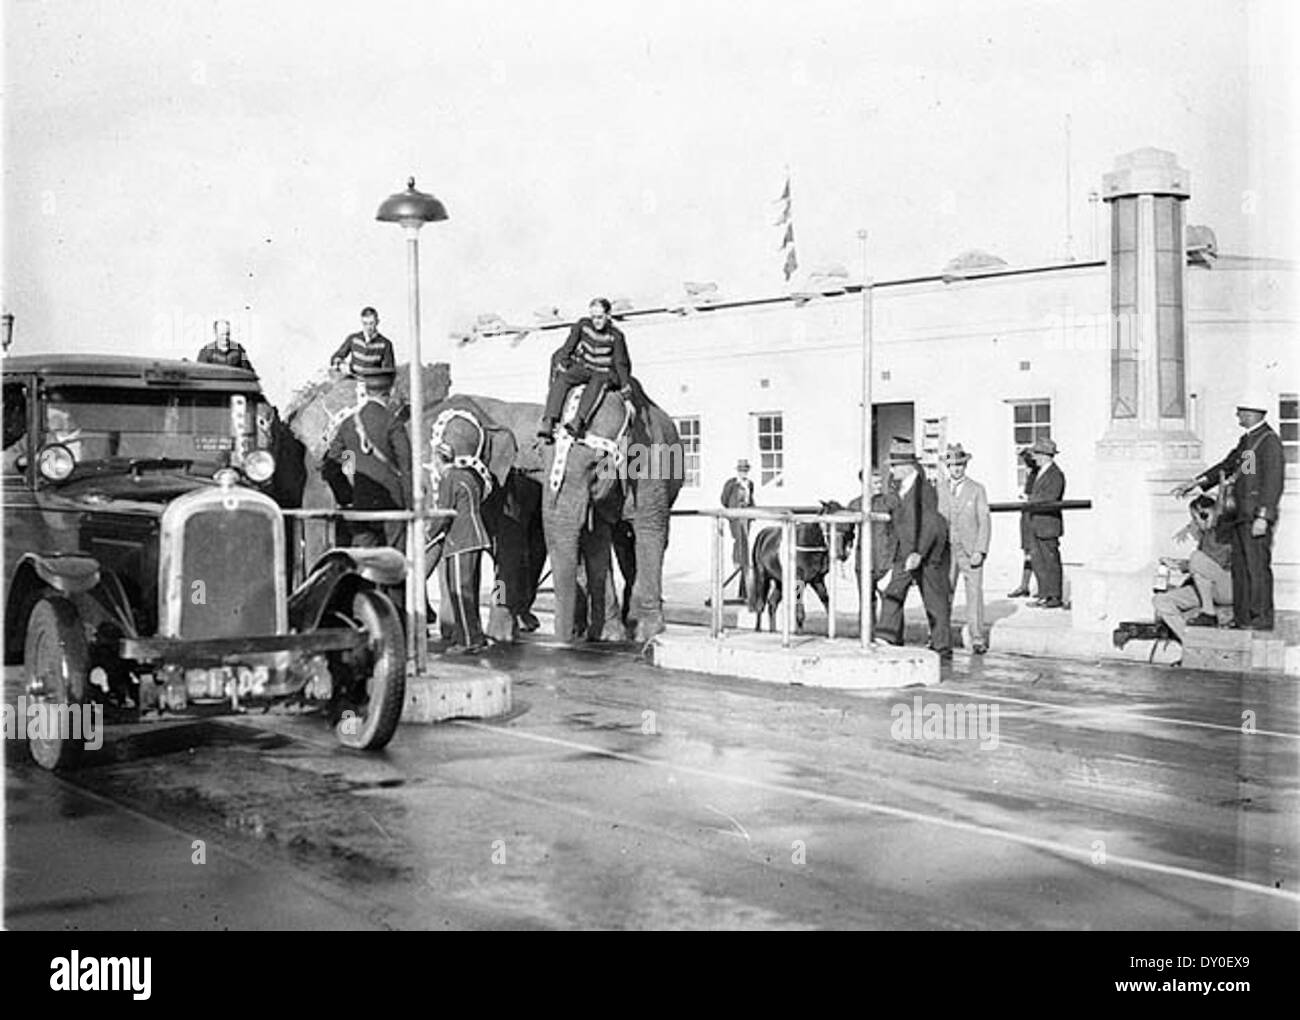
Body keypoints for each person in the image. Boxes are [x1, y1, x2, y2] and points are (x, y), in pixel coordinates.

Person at [1173, 396, 1284, 631]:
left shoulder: (1268, 441)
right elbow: (1229, 465)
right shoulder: (1249, 441)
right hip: (1240, 517)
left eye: (1240, 411)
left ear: (1253, 412)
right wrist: (1196, 482)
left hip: (1254, 517)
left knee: (1256, 569)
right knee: (1242, 570)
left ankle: (1261, 620)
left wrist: (1264, 516)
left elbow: (1273, 483)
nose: (1237, 416)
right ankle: (1243, 619)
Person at [876, 437, 952, 660]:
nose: (891, 470)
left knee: (934, 599)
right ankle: (886, 636)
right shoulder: (900, 488)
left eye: (894, 466)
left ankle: (942, 647)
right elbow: (890, 507)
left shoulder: (924, 489)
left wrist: (919, 552)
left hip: (926, 552)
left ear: (907, 466)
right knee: (892, 591)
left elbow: (930, 523)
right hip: (904, 551)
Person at [320, 365, 410, 549]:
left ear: (366, 391)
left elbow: (332, 466)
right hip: (393, 508)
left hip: (360, 504)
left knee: (363, 562)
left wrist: (347, 497)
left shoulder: (349, 423)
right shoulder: (393, 423)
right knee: (392, 566)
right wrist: (410, 505)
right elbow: (407, 467)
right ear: (391, 391)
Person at [537, 298, 632, 441]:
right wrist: (564, 362)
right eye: (593, 317)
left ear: (608, 315)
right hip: (585, 367)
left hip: (604, 371)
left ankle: (579, 421)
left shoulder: (616, 336)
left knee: (597, 382)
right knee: (563, 378)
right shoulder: (583, 326)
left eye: (600, 317)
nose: (596, 321)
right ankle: (549, 419)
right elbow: (569, 346)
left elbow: (621, 363)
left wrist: (626, 393)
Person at [427, 442, 491, 654]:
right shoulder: (469, 476)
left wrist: (428, 534)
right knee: (470, 590)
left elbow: (445, 512)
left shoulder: (449, 479)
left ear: (438, 459)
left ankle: (466, 642)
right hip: (478, 537)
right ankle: (476, 636)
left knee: (459, 592)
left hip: (460, 541)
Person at [1151, 496, 1234, 650]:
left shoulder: (1225, 530)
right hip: (1210, 589)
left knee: (1196, 557)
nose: (1198, 522)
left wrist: (1182, 565)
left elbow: (1213, 562)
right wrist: (1177, 564)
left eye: (1201, 517)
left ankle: (1208, 613)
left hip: (1228, 587)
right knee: (1161, 600)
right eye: (1195, 519)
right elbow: (1201, 569)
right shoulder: (1206, 535)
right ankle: (1191, 645)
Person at [937, 443, 991, 653]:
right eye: (952, 465)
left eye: (960, 464)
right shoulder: (939, 489)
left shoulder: (977, 489)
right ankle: (941, 638)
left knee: (974, 593)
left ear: (965, 465)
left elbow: (984, 521)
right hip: (946, 550)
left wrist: (980, 549)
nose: (957, 469)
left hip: (970, 551)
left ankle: (977, 638)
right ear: (947, 467)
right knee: (943, 593)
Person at [847, 467, 899, 629]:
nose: (878, 485)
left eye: (879, 482)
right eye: (875, 482)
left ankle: (891, 637)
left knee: (891, 602)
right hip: (864, 562)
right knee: (866, 602)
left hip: (886, 561)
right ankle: (867, 635)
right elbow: (847, 533)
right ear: (864, 483)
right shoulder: (855, 505)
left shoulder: (889, 501)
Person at [1026, 437, 1066, 609]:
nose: (1034, 457)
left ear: (1045, 455)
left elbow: (1051, 497)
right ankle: (1044, 594)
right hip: (1037, 523)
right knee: (1038, 561)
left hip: (1048, 524)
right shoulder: (1040, 472)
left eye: (1037, 453)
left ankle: (1054, 596)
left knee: (1051, 560)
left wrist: (1031, 500)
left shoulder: (1056, 474)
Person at [720, 459, 755, 598]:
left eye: (745, 470)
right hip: (735, 516)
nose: (743, 473)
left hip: (746, 515)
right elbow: (723, 499)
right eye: (741, 470)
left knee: (745, 540)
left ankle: (744, 564)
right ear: (737, 471)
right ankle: (737, 561)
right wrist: (731, 510)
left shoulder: (750, 484)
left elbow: (750, 497)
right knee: (738, 538)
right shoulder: (731, 484)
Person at [1007, 447, 1039, 598]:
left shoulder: (1038, 473)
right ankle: (1024, 585)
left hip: (1033, 515)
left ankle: (1040, 587)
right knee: (1027, 551)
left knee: (1035, 551)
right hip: (1026, 515)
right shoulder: (1032, 473)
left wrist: (1028, 498)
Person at [330, 307, 396, 377]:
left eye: (371, 323)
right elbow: (336, 357)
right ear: (361, 322)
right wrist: (340, 364)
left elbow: (389, 371)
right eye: (365, 323)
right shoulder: (353, 339)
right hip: (352, 382)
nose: (368, 327)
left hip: (373, 383)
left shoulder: (386, 344)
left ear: (377, 322)